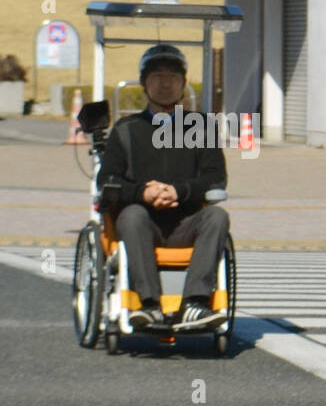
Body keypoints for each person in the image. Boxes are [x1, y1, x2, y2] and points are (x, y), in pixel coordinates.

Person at [98, 44, 230, 331]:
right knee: (131, 215)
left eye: (173, 76)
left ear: (183, 83)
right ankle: (149, 305)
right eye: (157, 76)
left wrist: (179, 191)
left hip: (187, 223)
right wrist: (143, 194)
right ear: (144, 82)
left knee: (217, 216)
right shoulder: (126, 129)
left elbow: (215, 177)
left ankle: (195, 303)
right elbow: (107, 181)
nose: (165, 83)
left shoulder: (199, 126)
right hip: (142, 224)